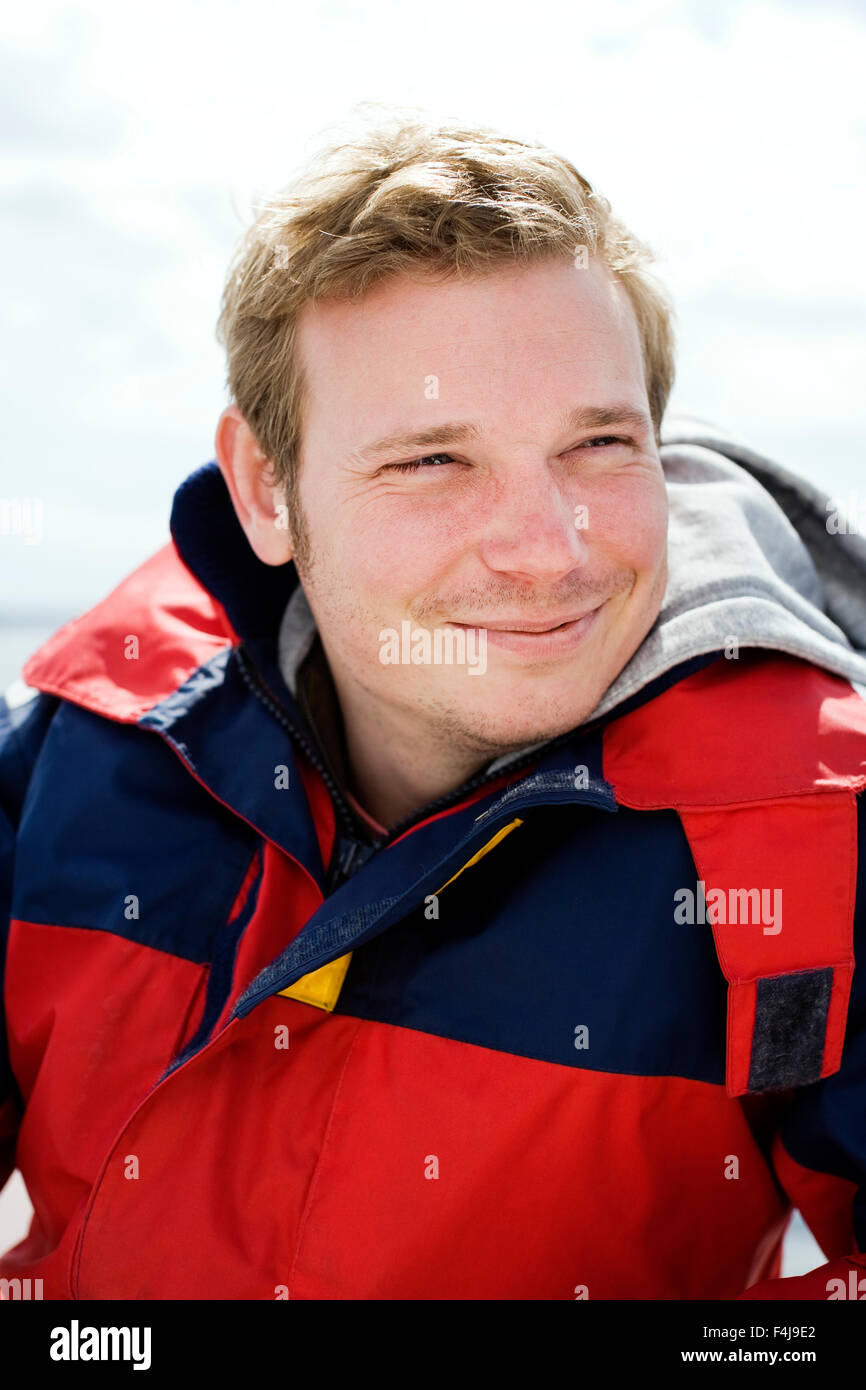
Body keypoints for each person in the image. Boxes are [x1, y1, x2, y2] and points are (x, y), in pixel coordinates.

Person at [2, 112, 865, 1301]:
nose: (545, 550)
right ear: (266, 487)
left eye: (598, 444)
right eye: (432, 460)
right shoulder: (81, 750)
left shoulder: (809, 832)